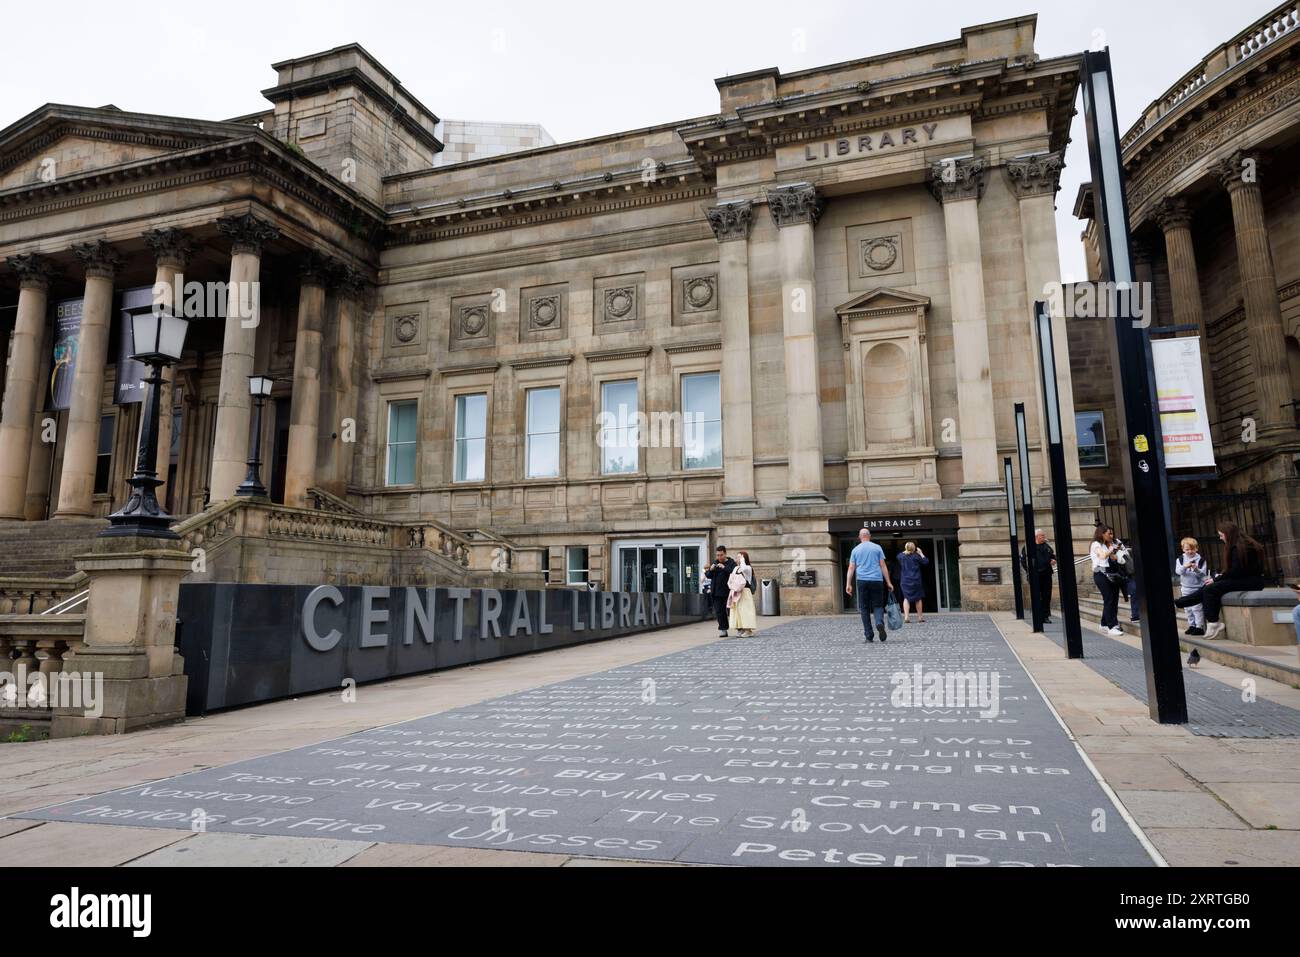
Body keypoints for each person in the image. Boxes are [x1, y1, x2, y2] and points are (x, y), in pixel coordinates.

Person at [1174, 522, 1267, 639]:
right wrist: (1217, 578)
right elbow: (1236, 570)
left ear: (1228, 534)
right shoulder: (1242, 545)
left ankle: (1213, 622)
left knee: (1211, 588)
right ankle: (1180, 602)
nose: (1220, 537)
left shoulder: (1239, 547)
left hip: (1250, 581)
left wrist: (1217, 578)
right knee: (1209, 586)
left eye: (1221, 535)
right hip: (1248, 579)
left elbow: (1235, 571)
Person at [846, 528, 894, 643]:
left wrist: (848, 583)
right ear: (870, 536)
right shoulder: (877, 548)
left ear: (859, 537)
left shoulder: (855, 550)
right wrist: (888, 582)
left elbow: (851, 567)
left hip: (862, 581)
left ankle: (869, 635)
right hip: (877, 580)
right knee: (878, 605)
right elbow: (883, 566)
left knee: (864, 608)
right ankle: (879, 622)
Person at [1090, 525, 1125, 637]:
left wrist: (1116, 549)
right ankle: (1112, 626)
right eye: (1109, 533)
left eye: (1112, 533)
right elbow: (1102, 556)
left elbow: (1114, 558)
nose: (1111, 536)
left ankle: (1104, 623)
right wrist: (1111, 550)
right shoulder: (1096, 544)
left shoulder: (1107, 544)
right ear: (1102, 534)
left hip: (1111, 574)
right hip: (1101, 574)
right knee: (1109, 598)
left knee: (1113, 599)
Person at [1020, 529, 1057, 625]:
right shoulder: (1028, 547)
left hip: (1047, 574)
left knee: (1046, 596)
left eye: (1043, 535)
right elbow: (1023, 561)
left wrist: (1053, 560)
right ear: (1036, 536)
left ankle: (1045, 616)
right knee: (1037, 595)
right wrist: (1030, 571)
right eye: (1042, 535)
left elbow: (1052, 556)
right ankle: (1037, 614)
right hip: (1035, 575)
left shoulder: (1047, 546)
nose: (1044, 537)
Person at [1175, 537, 1208, 637]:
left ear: (1196, 548)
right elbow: (1178, 572)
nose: (1190, 551)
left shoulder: (1201, 560)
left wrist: (1196, 569)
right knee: (1188, 608)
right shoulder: (1180, 560)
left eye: (1192, 549)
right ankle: (1192, 625)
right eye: (1187, 549)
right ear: (1183, 549)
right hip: (1185, 587)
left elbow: (1203, 576)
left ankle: (1199, 626)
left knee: (1197, 608)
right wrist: (1185, 566)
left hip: (1197, 588)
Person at [704, 546, 736, 638]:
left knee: (732, 611)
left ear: (725, 554)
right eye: (717, 555)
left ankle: (738, 627)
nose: (719, 557)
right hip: (716, 593)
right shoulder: (715, 562)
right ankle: (723, 629)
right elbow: (708, 576)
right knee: (719, 612)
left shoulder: (731, 563)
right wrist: (711, 569)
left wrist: (724, 567)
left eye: (721, 555)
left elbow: (734, 573)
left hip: (728, 592)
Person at [727, 550, 758, 637]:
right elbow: (731, 579)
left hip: (745, 592)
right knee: (737, 611)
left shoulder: (748, 568)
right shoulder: (735, 568)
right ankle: (740, 628)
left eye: (739, 557)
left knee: (746, 610)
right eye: (737, 557)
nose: (737, 559)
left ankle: (748, 630)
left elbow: (744, 568)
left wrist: (742, 560)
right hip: (736, 591)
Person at [896, 542, 928, 624]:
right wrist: (921, 553)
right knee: (918, 598)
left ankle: (906, 617)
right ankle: (920, 617)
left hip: (905, 581)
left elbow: (898, 555)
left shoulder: (901, 556)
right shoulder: (916, 556)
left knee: (906, 598)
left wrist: (906, 549)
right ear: (914, 548)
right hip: (916, 580)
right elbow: (926, 561)